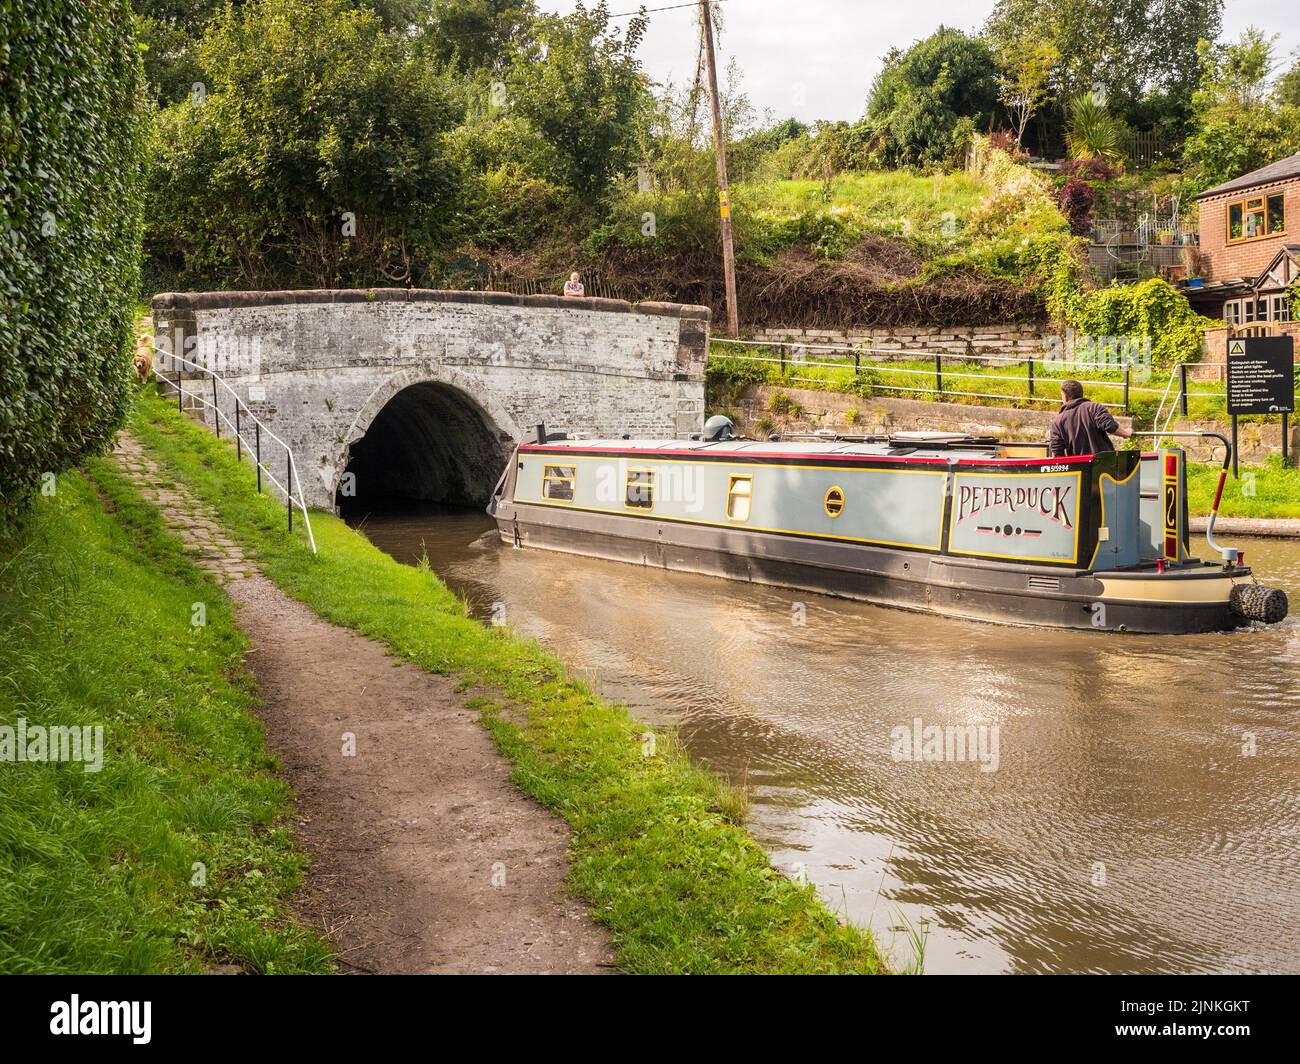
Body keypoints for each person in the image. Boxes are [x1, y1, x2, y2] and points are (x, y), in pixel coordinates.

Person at [1048, 379, 1132, 457]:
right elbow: (1110, 426)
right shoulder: (1095, 408)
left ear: (1065, 397)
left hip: (1079, 467)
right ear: (1081, 394)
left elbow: (1057, 453)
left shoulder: (1057, 421)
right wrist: (1126, 433)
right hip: (1105, 463)